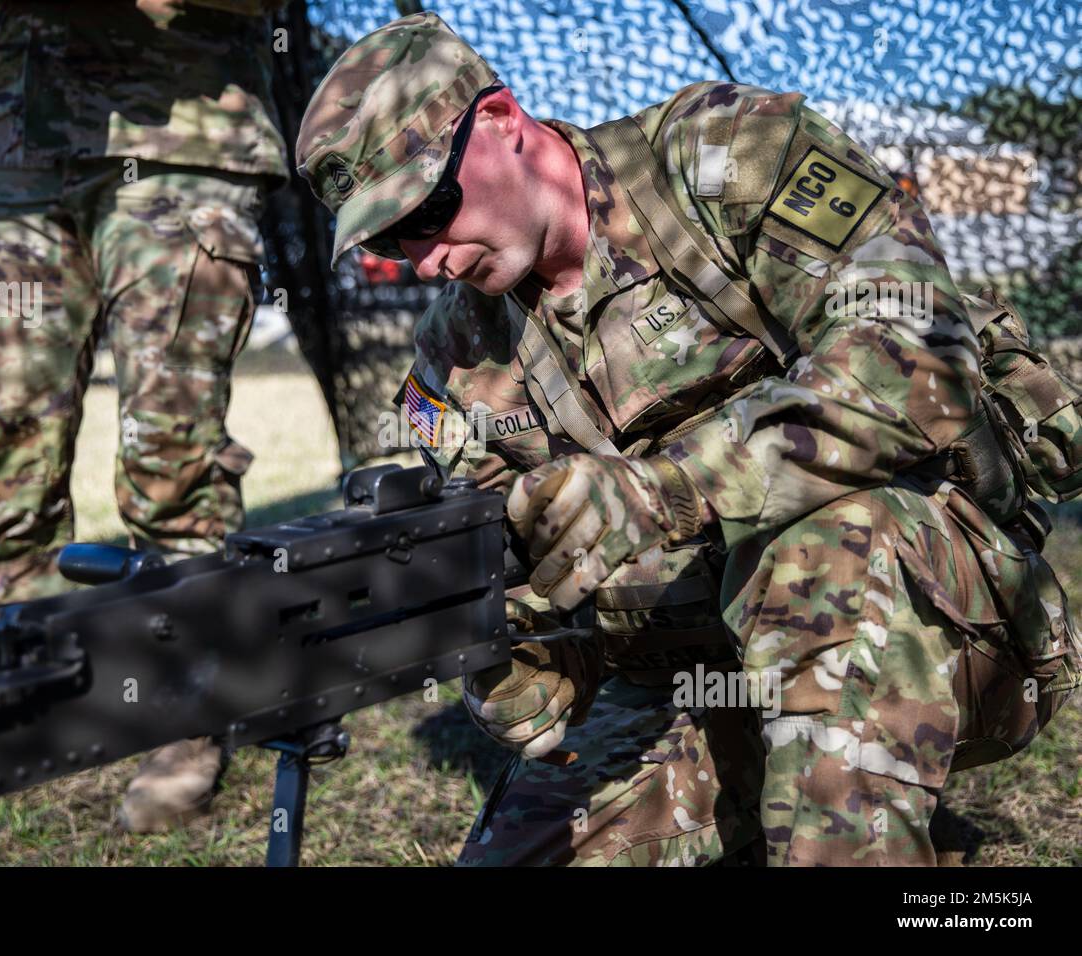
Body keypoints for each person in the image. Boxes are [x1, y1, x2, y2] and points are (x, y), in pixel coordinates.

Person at [295, 12, 1081, 865]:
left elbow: (912, 357)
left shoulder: (725, 155)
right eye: (387, 238)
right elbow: (521, 577)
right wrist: (519, 659)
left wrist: (666, 488)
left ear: (501, 120)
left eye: (431, 207)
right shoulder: (456, 361)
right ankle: (794, 792)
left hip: (948, 620)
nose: (426, 257)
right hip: (702, 677)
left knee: (828, 550)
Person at [0, 0, 289, 832]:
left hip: (186, 140)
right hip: (15, 151)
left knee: (173, 448)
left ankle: (181, 701)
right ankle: (10, 665)